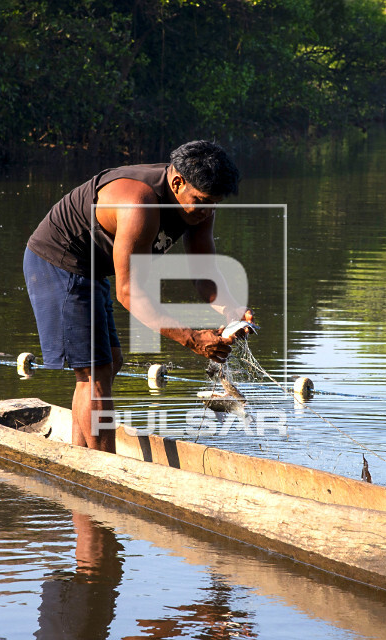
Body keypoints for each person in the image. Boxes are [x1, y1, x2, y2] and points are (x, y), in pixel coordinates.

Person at [23, 140, 250, 452]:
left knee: (108, 363)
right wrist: (193, 339)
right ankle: (102, 466)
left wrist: (232, 310)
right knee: (95, 374)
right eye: (202, 200)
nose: (208, 210)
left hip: (94, 268)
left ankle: (80, 453)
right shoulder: (139, 202)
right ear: (177, 182)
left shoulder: (199, 208)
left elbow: (204, 273)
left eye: (215, 204)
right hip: (58, 261)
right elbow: (129, 293)